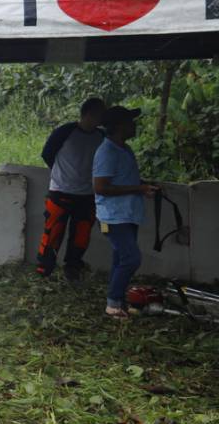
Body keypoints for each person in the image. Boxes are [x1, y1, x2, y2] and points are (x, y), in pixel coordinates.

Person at [93, 106, 157, 319]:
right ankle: (112, 304)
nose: (134, 125)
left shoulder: (124, 149)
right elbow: (100, 187)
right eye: (130, 121)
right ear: (119, 126)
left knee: (120, 258)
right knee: (131, 259)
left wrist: (143, 185)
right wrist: (139, 189)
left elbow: (123, 180)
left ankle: (116, 301)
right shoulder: (107, 152)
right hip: (112, 216)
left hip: (127, 214)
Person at [36, 97, 107, 280]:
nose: (103, 117)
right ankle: (44, 271)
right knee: (53, 233)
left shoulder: (102, 137)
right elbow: (47, 154)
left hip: (87, 195)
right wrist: (62, 174)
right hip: (60, 192)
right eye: (100, 113)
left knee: (81, 236)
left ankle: (73, 269)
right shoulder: (65, 132)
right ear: (89, 114)